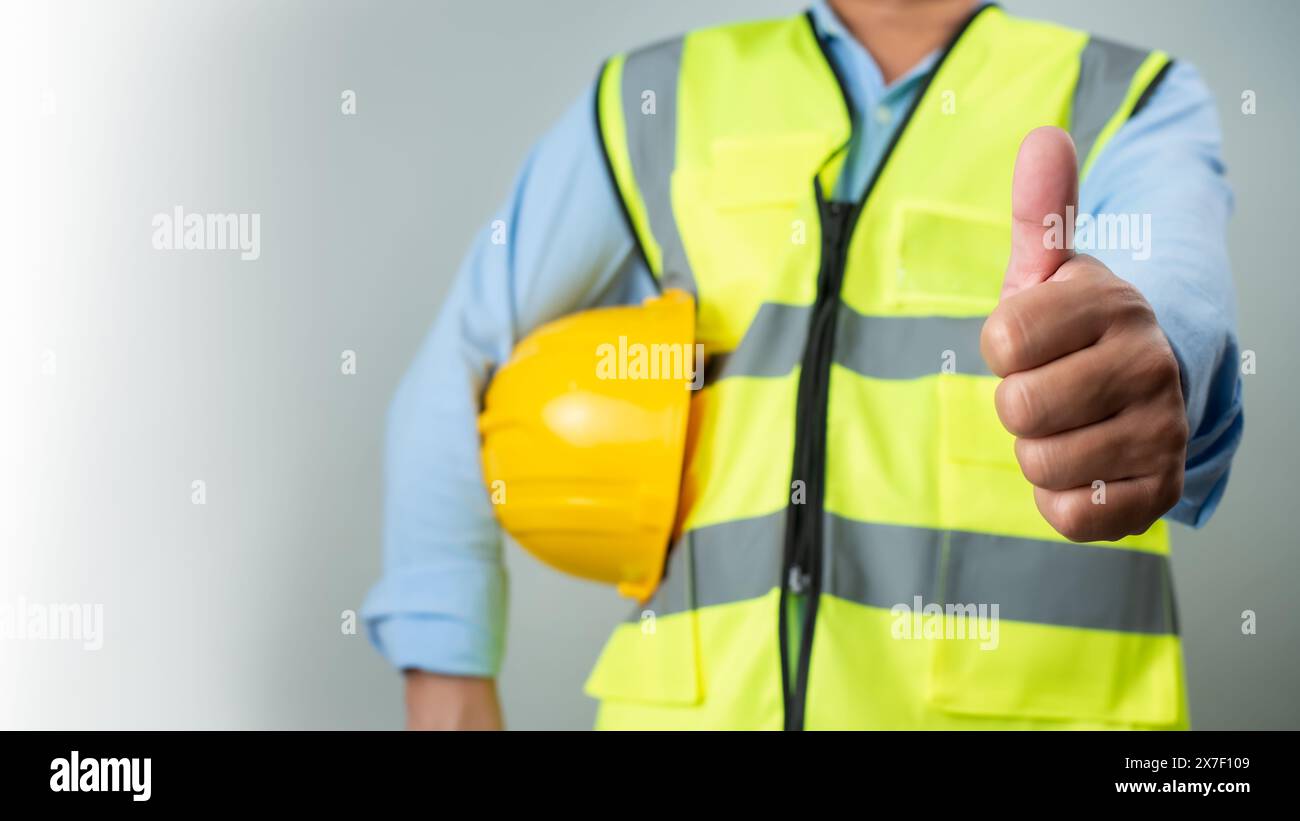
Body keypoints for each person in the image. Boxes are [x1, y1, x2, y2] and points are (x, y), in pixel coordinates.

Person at [362, 0, 1243, 730]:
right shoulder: (650, 98)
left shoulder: (1129, 98)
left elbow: (1176, 301)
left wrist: (1153, 365)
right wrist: (449, 679)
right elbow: (458, 365)